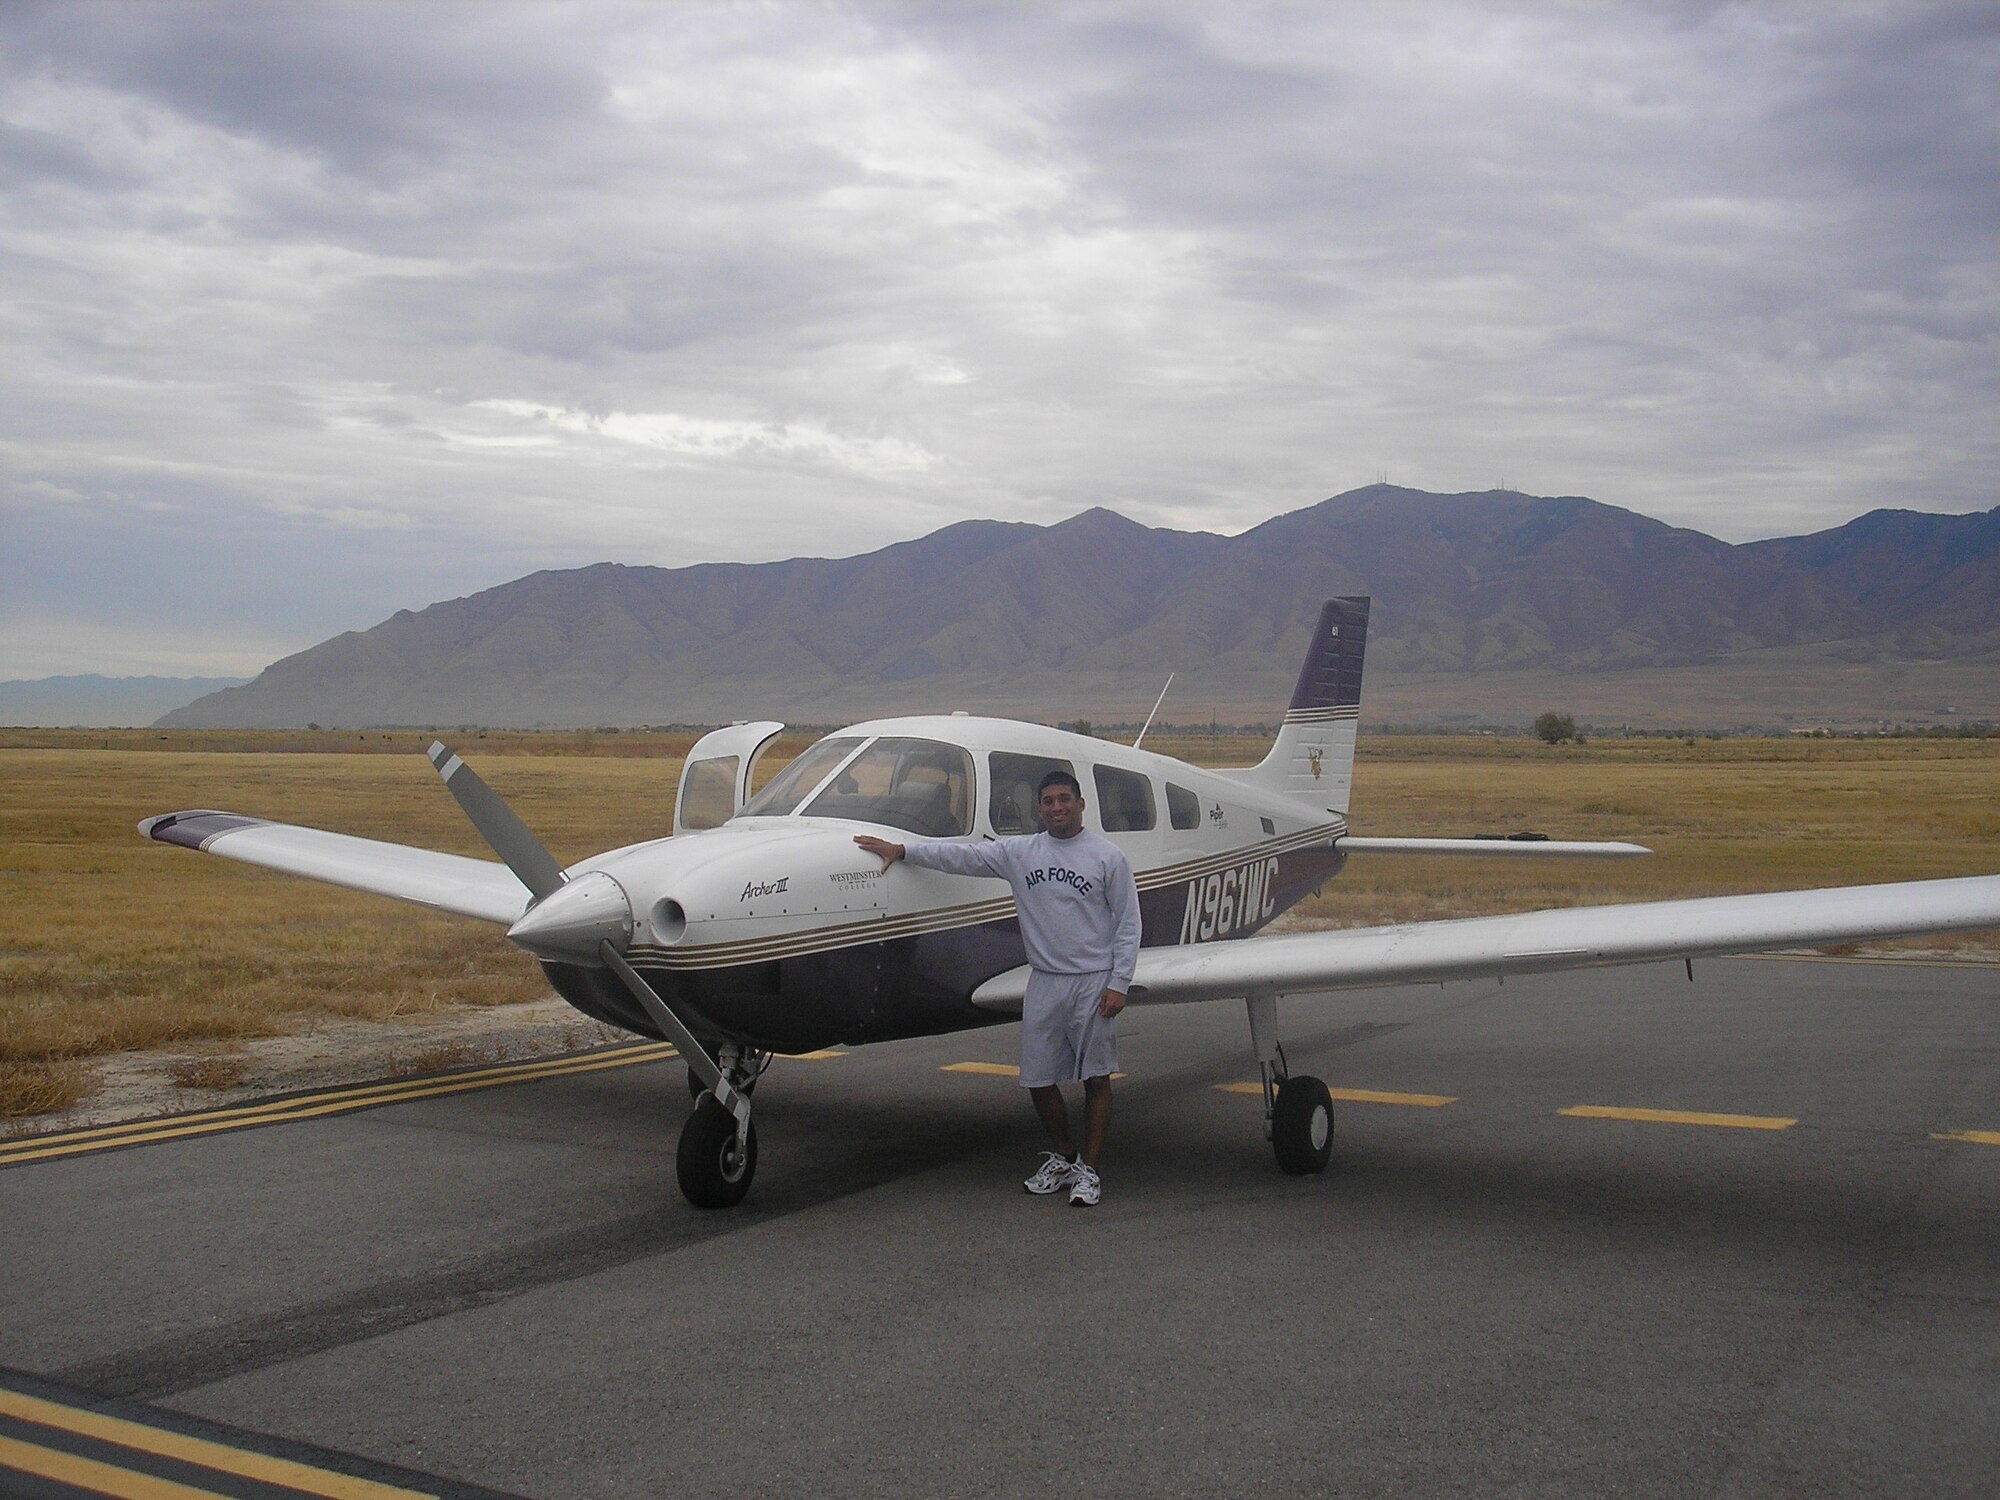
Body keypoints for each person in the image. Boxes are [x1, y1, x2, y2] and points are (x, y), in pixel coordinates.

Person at [855, 769, 1140, 1207]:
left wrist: (1118, 982)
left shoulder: (1108, 858)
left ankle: (1090, 1170)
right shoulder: (1019, 852)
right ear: (1039, 808)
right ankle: (1065, 1157)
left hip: (1092, 981)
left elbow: (1127, 924)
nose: (1057, 807)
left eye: (1065, 799)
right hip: (1044, 980)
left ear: (1081, 804)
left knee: (1096, 1077)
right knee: (1038, 1078)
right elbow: (962, 857)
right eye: (1048, 801)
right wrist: (903, 850)